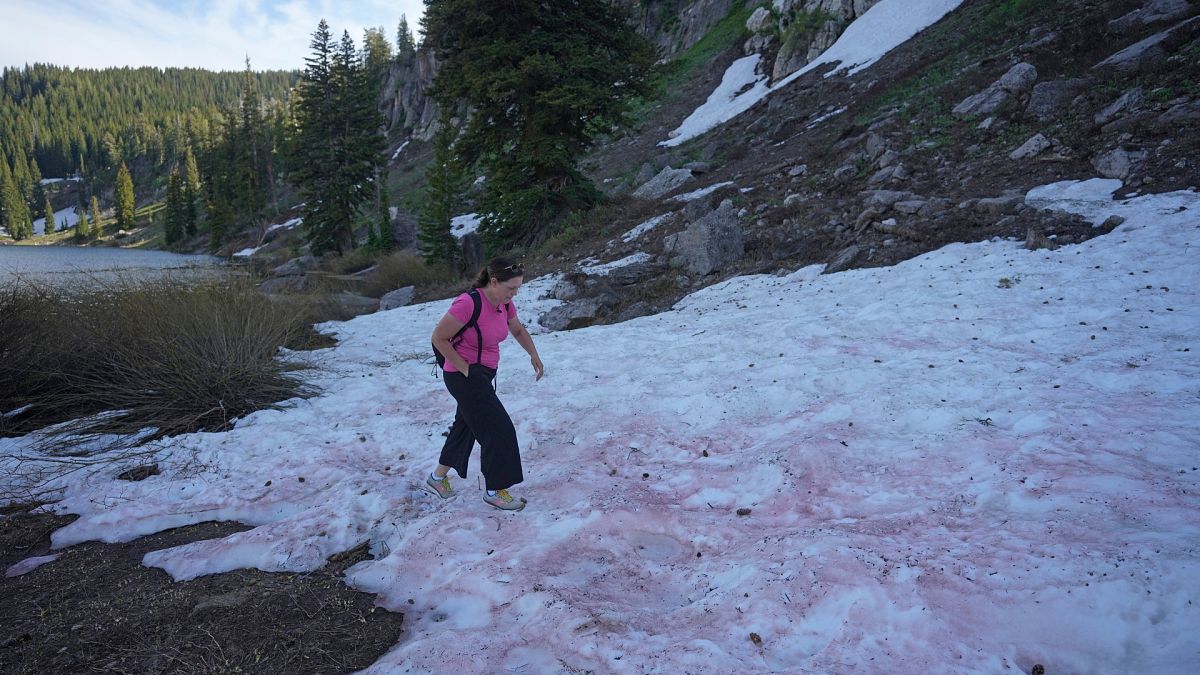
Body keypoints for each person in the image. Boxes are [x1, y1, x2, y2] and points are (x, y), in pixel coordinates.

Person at [427, 257, 545, 510]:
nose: (514, 294)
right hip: (464, 375)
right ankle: (495, 489)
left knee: (466, 426)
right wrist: (466, 370)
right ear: (494, 282)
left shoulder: (505, 304)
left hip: (484, 373)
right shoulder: (468, 303)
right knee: (498, 429)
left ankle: (437, 477)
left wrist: (533, 355)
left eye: (517, 288)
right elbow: (439, 337)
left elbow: (518, 330)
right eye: (510, 288)